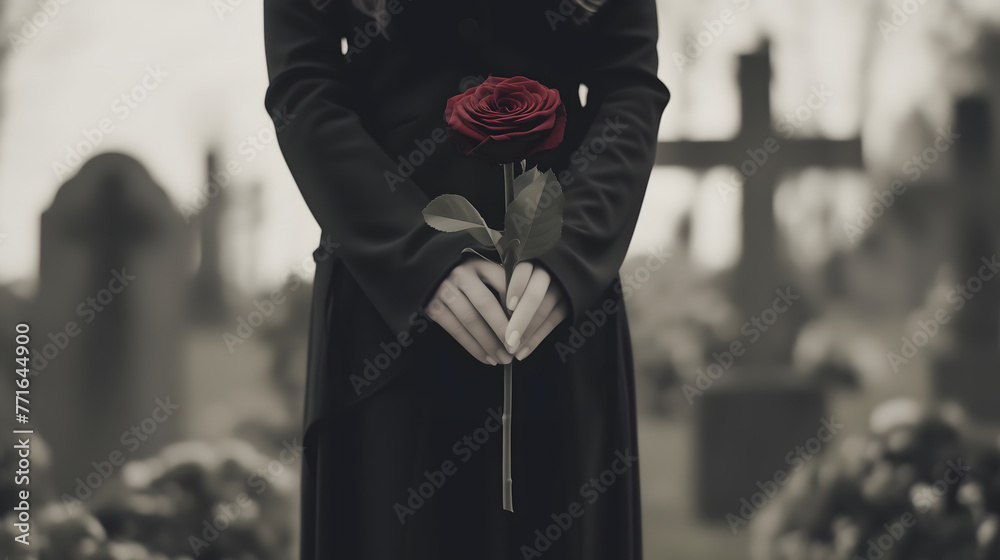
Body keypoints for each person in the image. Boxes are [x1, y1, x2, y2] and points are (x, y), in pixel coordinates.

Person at [263, 0, 670, 557]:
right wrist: (418, 256)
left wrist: (568, 253)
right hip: (384, 307)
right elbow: (303, 88)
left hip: (554, 304)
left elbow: (629, 86)